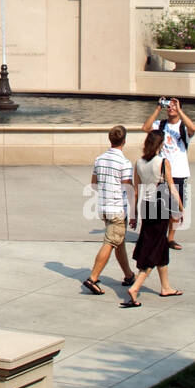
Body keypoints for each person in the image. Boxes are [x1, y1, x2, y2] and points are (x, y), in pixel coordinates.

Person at [121, 131, 184, 306]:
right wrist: (181, 208)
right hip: (160, 205)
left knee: (160, 245)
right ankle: (136, 287)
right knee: (155, 247)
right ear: (160, 145)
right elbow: (171, 188)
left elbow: (134, 191)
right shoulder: (163, 162)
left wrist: (133, 215)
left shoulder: (138, 163)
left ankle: (166, 287)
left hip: (145, 205)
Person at [83, 126, 136, 295]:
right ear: (124, 141)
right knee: (111, 242)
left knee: (118, 241)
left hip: (104, 207)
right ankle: (93, 277)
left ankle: (128, 275)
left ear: (110, 139)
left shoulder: (99, 159)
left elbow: (93, 183)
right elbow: (128, 188)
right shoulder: (125, 163)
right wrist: (134, 212)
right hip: (117, 209)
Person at [142, 97, 195, 250]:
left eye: (174, 106)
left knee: (176, 209)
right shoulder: (161, 125)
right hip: (161, 172)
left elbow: (193, 129)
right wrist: (158, 108)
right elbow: (145, 128)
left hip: (179, 172)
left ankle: (170, 238)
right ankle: (156, 235)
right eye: (169, 106)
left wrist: (180, 110)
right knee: (158, 207)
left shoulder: (182, 127)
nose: (170, 108)